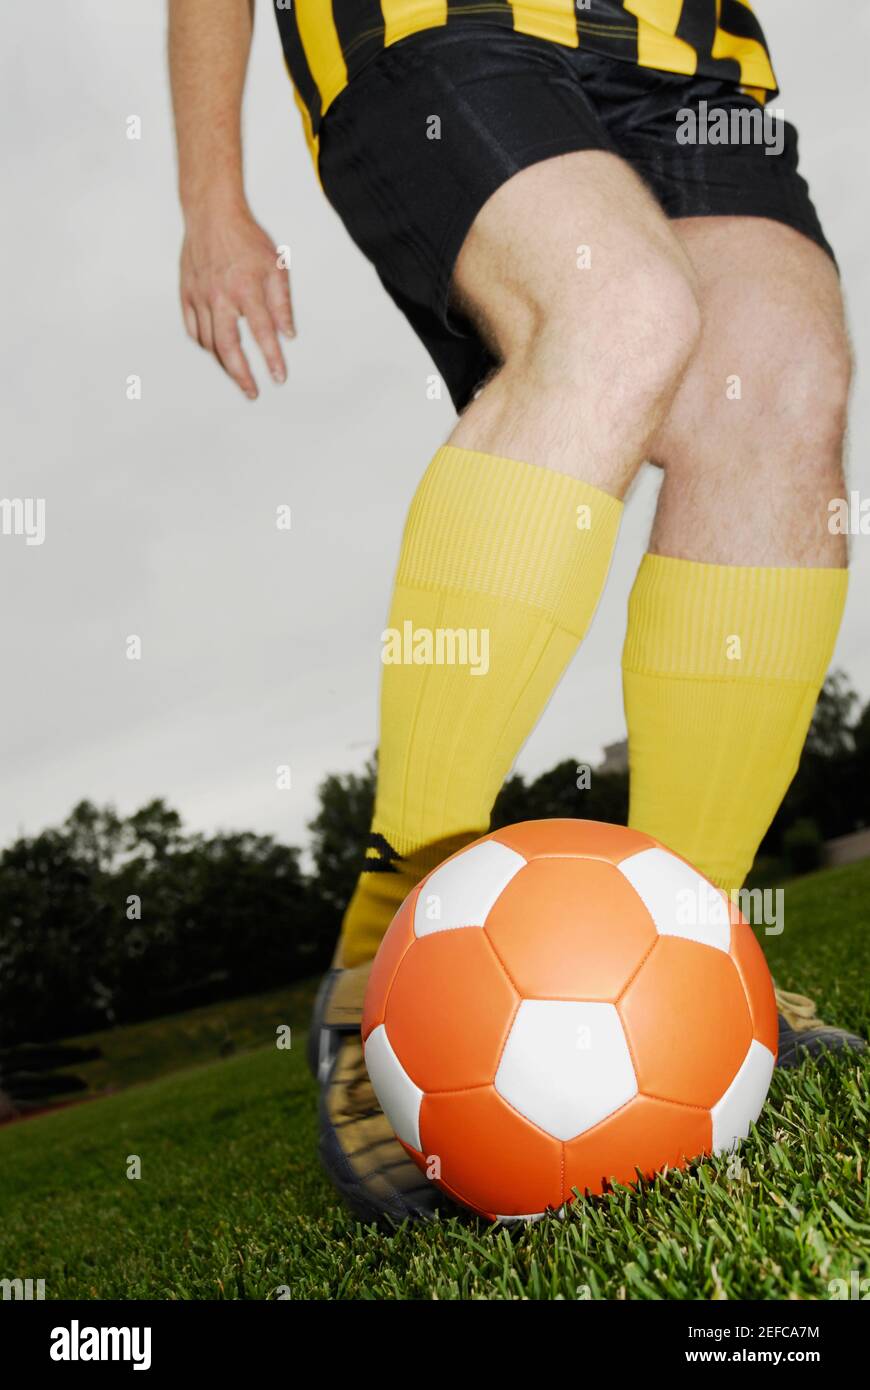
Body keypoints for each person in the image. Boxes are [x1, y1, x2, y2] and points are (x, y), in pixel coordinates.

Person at [169, 0, 864, 1223]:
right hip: (439, 25)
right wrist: (211, 196)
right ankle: (390, 944)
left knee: (784, 390)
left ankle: (696, 953)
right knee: (614, 313)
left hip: (685, 47)